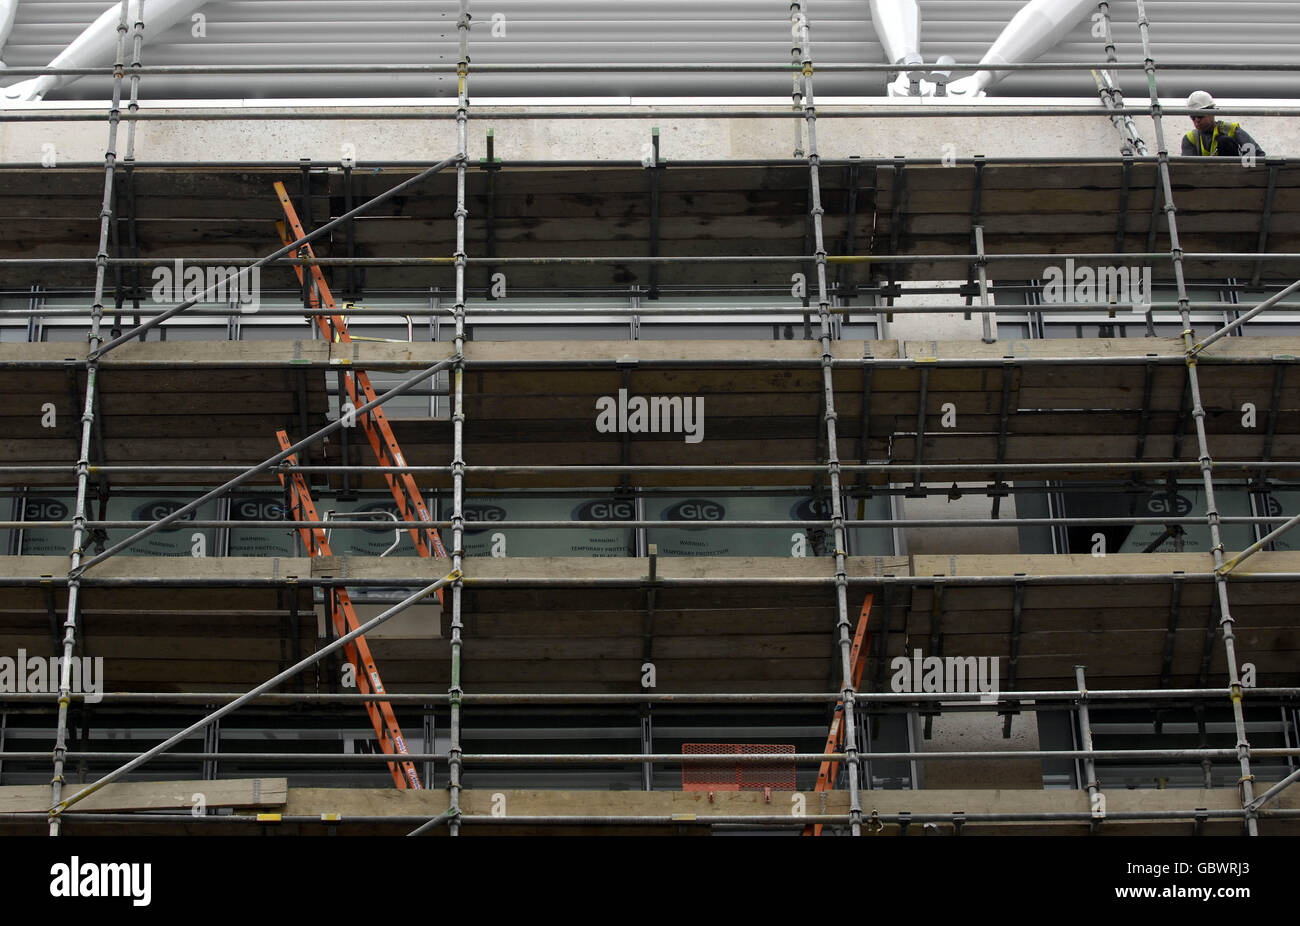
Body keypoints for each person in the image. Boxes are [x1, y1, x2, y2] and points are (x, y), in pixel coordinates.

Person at [1182, 91, 1265, 158]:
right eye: (1193, 117)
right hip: (1203, 176)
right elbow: (1187, 168)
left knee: (1225, 142)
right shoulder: (1190, 138)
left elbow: (1257, 155)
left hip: (1233, 175)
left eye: (1200, 116)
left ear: (1212, 112)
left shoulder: (1230, 130)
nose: (1196, 120)